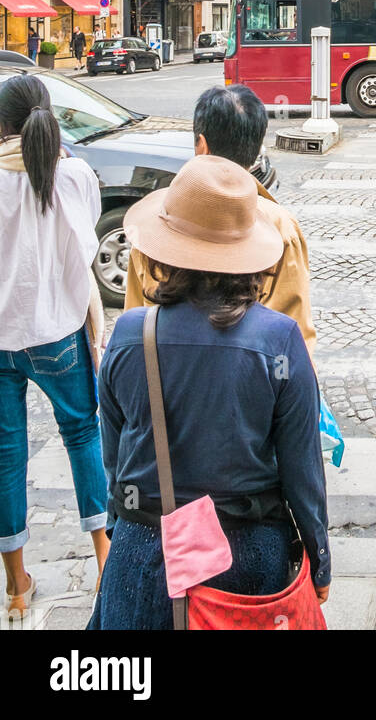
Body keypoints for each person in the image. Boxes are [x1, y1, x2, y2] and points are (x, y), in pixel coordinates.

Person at [88, 155, 330, 630]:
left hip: (145, 552)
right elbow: (303, 470)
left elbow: (114, 456)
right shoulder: (280, 340)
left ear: (164, 250)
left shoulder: (130, 332)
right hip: (249, 557)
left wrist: (122, 527)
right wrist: (318, 556)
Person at [0, 74, 109, 620]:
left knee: (6, 456)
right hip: (59, 331)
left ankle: (18, 584)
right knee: (84, 438)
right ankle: (105, 564)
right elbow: (85, 239)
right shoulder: (73, 175)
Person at [125, 85, 316, 355]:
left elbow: (134, 327)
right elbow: (294, 340)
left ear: (201, 145)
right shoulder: (280, 227)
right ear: (256, 147)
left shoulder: (156, 223)